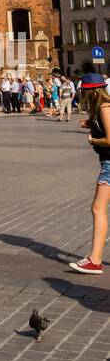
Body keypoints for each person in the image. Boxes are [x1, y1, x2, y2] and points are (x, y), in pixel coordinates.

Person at [68, 68, 110, 275]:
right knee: (98, 208)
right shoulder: (104, 107)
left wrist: (93, 139)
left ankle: (95, 260)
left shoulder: (104, 106)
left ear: (90, 92)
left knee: (97, 208)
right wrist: (91, 125)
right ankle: (95, 258)